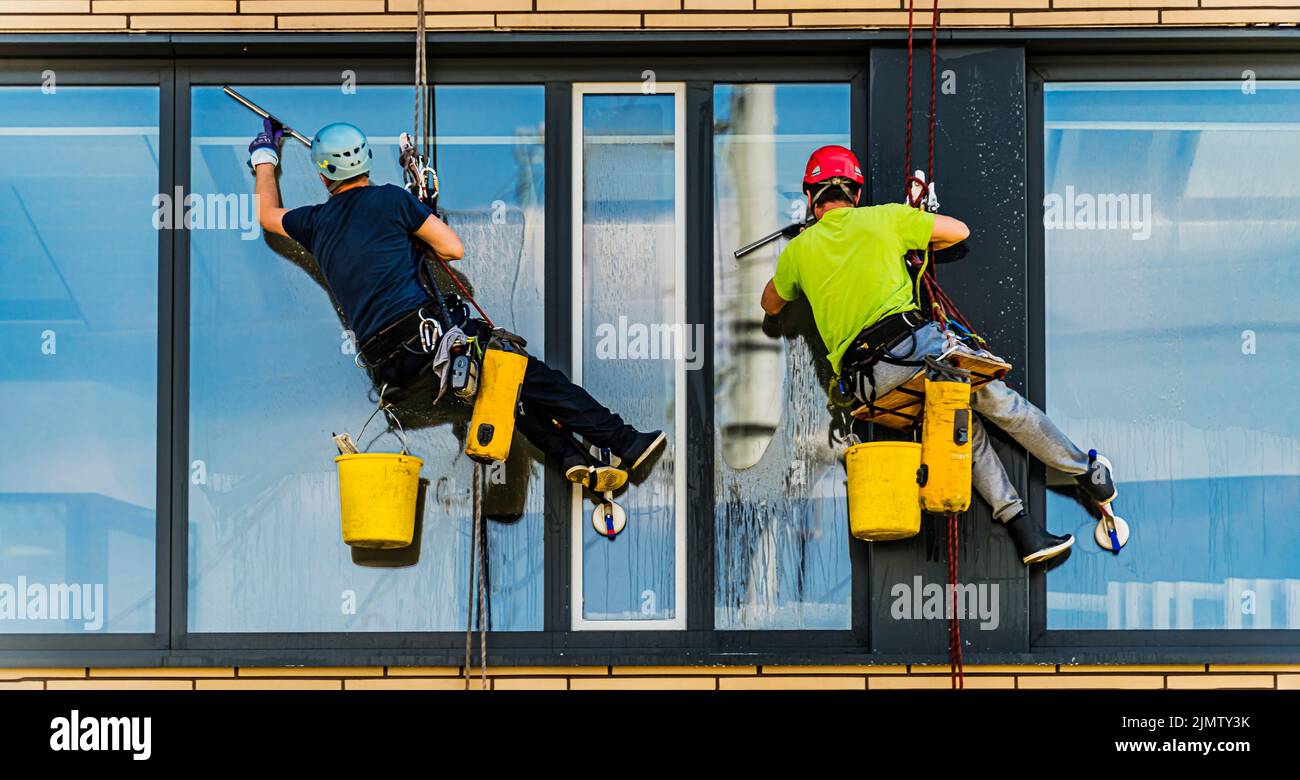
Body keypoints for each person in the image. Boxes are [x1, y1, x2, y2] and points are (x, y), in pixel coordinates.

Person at [247, 118, 665, 489]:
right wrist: (417, 221)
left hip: (389, 366)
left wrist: (266, 155)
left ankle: (572, 458)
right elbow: (453, 249)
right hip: (426, 335)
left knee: (502, 392)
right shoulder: (392, 200)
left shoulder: (315, 222)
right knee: (532, 375)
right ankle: (623, 440)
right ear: (367, 162)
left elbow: (267, 214)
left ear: (324, 177)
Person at [760, 145, 1117, 565]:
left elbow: (770, 303)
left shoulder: (799, 253)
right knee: (1001, 403)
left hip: (869, 386)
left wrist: (805, 244)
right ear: (856, 193)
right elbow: (958, 231)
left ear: (810, 196)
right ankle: (1084, 471)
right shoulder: (884, 219)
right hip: (916, 352)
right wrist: (907, 226)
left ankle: (1025, 532)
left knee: (961, 424)